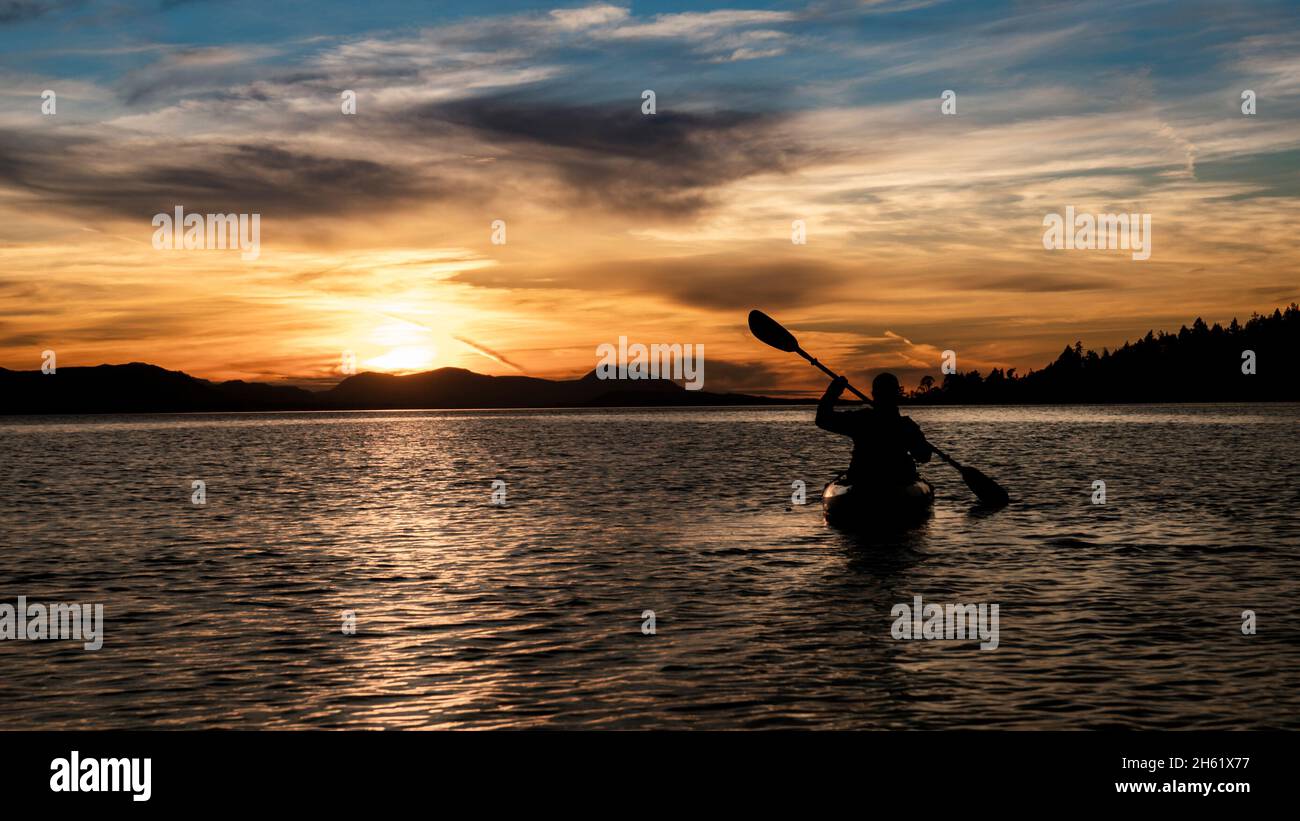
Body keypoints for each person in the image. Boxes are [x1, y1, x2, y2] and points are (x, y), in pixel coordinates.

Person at [816, 372, 932, 487]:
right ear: (897, 395)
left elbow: (822, 418)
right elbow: (924, 456)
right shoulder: (906, 425)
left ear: (873, 394)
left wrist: (833, 392)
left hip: (864, 479)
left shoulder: (861, 420)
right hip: (897, 479)